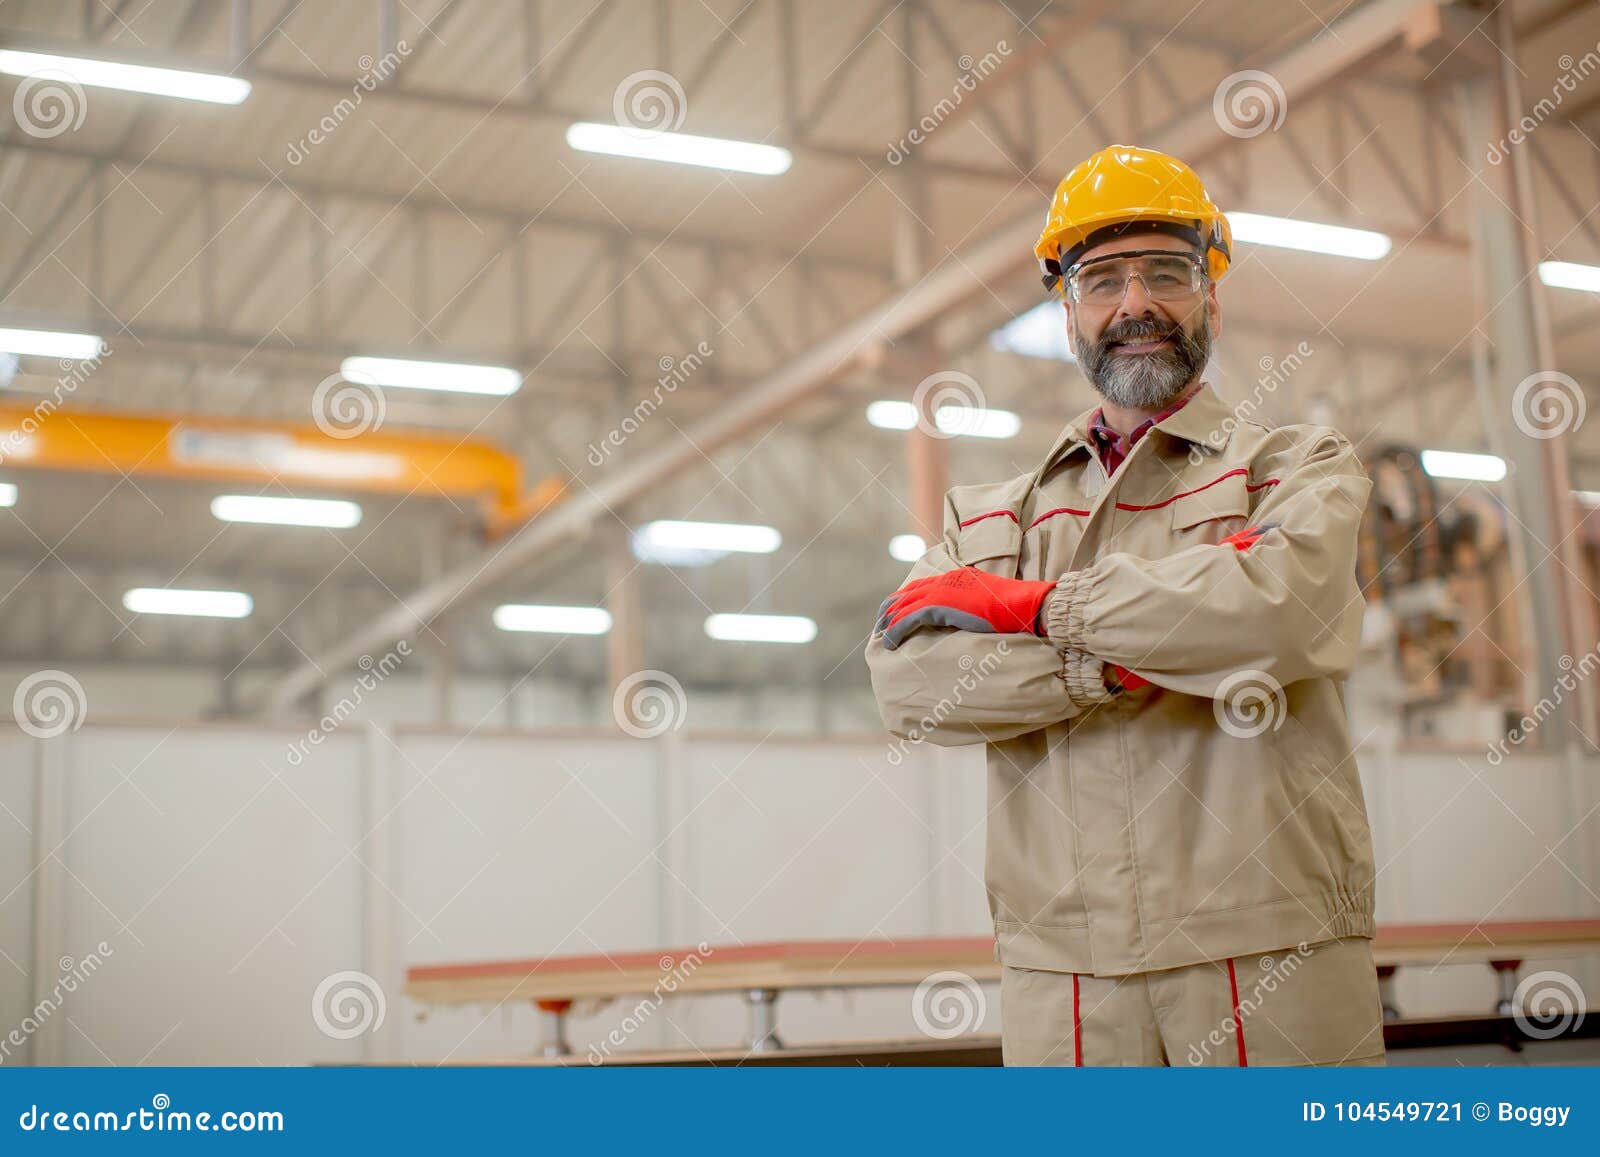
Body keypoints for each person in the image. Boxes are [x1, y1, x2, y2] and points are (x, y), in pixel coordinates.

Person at [865, 145, 1384, 1067]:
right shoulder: (988, 515)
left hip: (1272, 944)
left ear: (1212, 299)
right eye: (1102, 279)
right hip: (1060, 969)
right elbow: (908, 681)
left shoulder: (1295, 467)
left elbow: (1281, 612)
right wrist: (1151, 648)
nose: (1135, 302)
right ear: (1068, 313)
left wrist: (1028, 609)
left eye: (1167, 273)